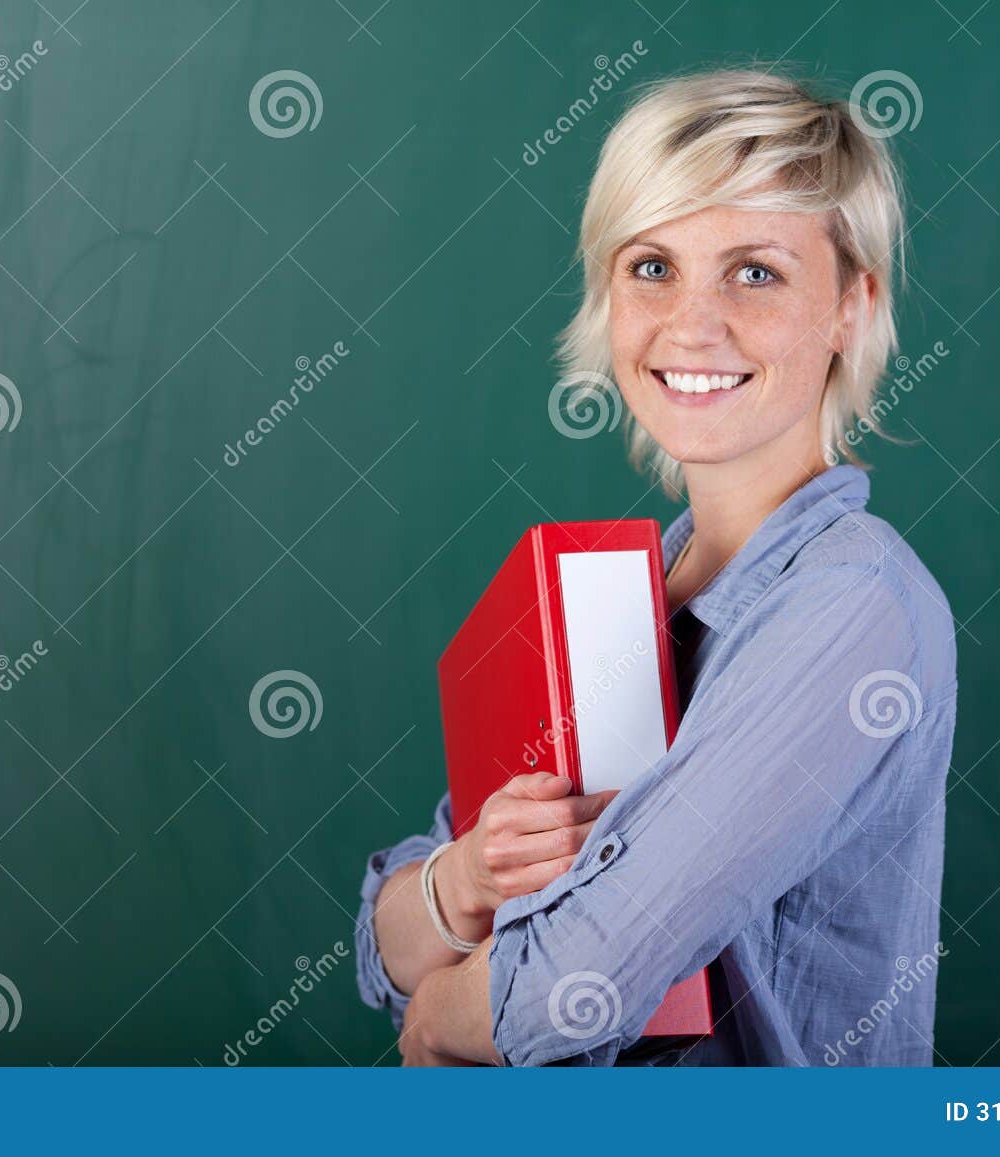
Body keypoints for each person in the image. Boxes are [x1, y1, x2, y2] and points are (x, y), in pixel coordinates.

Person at [355, 69, 958, 1066]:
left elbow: (568, 987)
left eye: (754, 271)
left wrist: (439, 1015)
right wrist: (463, 879)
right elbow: (386, 950)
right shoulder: (605, 588)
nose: (691, 322)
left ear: (853, 303)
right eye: (651, 266)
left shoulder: (854, 607)